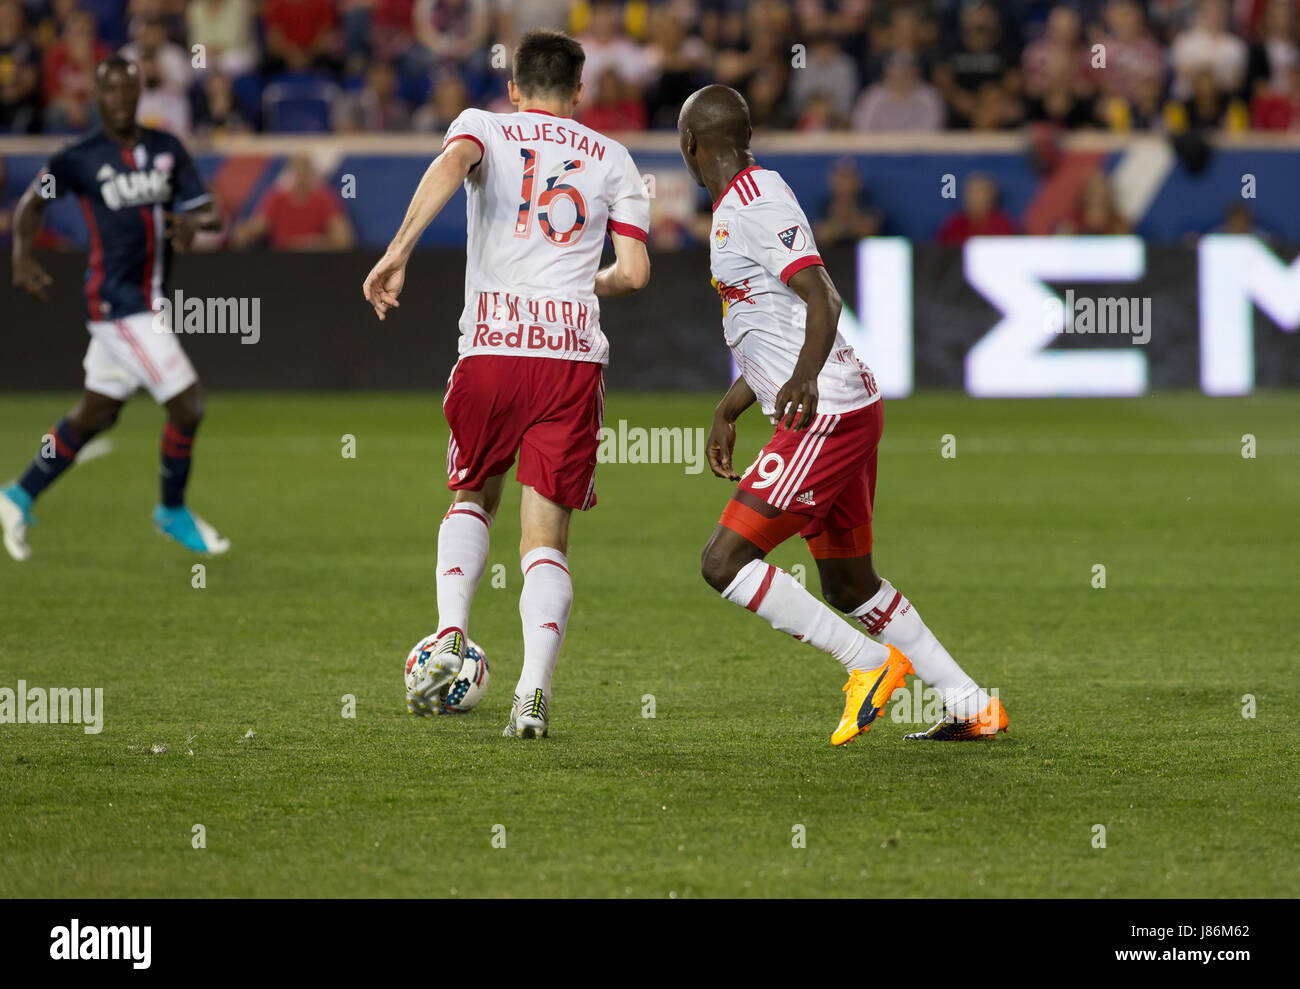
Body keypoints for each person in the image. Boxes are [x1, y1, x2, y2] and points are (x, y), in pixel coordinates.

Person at [677, 84, 1007, 744]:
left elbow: (820, 296)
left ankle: (868, 662)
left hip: (824, 411)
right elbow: (774, 318)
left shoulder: (751, 204)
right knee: (851, 582)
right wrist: (734, 401)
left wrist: (800, 379)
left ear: (692, 147)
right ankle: (972, 703)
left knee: (724, 562)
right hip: (845, 404)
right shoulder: (748, 196)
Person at [361, 30, 651, 738]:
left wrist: (397, 252)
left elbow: (451, 164)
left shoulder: (482, 126)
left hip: (491, 345)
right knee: (545, 538)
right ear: (579, 93)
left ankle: (449, 634)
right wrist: (585, 282)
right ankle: (531, 692)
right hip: (569, 357)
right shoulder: (614, 158)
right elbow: (636, 273)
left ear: (514, 88)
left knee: (471, 493)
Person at [2, 56, 228, 562]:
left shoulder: (166, 148)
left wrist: (196, 226)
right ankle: (171, 510)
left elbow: (208, 210)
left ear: (138, 94)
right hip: (117, 304)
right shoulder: (78, 158)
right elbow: (32, 204)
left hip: (150, 301)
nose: (123, 99)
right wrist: (21, 254)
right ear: (99, 98)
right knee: (188, 404)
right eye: (113, 91)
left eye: (130, 89)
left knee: (95, 414)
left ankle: (18, 494)